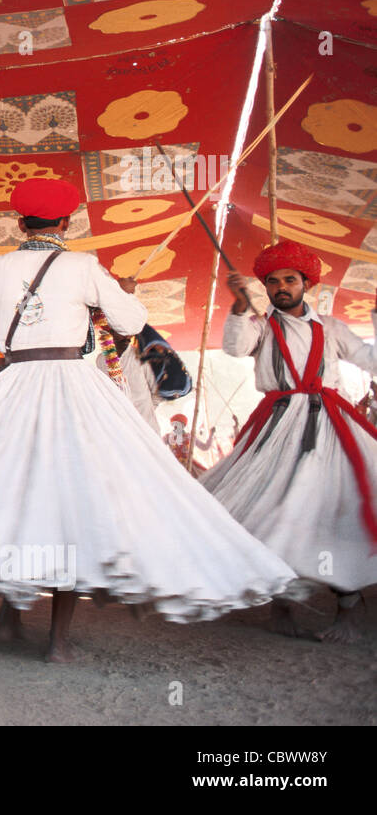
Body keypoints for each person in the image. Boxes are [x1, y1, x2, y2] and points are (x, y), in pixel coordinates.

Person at [0, 178, 293, 662]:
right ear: (67, 223)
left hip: (17, 384)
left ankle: (9, 611)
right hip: (74, 386)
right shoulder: (84, 266)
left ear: (20, 222)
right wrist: (115, 294)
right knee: (73, 502)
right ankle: (58, 642)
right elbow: (131, 323)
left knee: (6, 490)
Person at [202, 241, 377, 643]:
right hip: (277, 426)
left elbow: (370, 359)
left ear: (305, 284)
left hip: (330, 425)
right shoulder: (261, 325)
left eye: (289, 280)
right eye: (274, 281)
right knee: (275, 506)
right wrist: (240, 306)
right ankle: (282, 606)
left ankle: (346, 612)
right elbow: (233, 347)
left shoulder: (330, 328)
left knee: (338, 508)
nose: (282, 287)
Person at [97, 331, 161, 433]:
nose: (127, 336)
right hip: (119, 429)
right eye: (120, 331)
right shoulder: (101, 360)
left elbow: (157, 392)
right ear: (111, 331)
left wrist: (145, 410)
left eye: (128, 333)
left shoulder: (142, 357)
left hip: (147, 427)